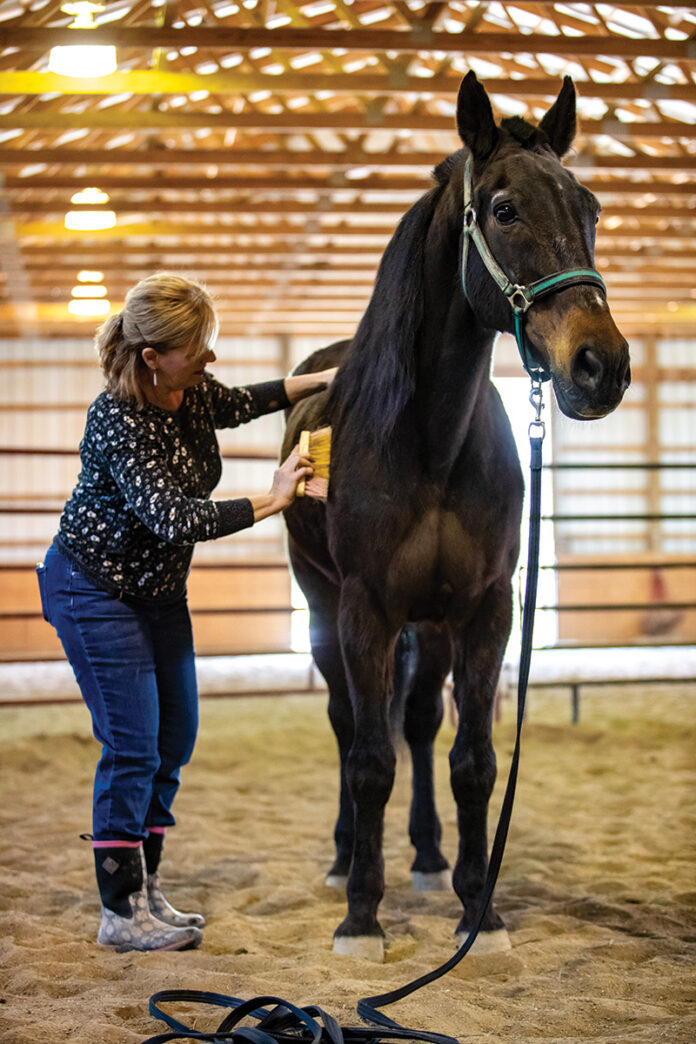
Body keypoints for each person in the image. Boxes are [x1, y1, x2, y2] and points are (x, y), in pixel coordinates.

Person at [36, 273, 335, 953]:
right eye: (198, 348)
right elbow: (174, 517)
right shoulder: (118, 418)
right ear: (152, 357)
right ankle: (119, 910)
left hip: (157, 593)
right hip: (95, 590)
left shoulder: (191, 391)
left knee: (176, 741)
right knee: (133, 745)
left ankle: (146, 891)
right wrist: (273, 498)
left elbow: (244, 401)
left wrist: (325, 381)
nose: (211, 358)